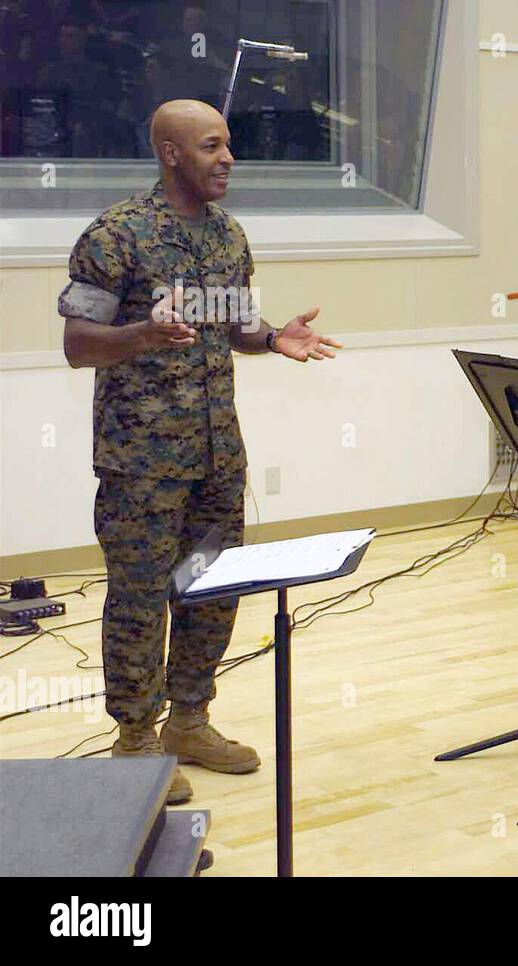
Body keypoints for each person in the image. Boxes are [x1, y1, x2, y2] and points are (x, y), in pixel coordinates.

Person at [59, 99, 342, 805]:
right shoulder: (117, 235)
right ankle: (134, 739)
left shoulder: (227, 236)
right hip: (142, 458)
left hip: (219, 454)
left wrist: (274, 338)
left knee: (210, 590)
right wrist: (141, 336)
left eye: (229, 146)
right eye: (212, 147)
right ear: (171, 153)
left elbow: (238, 326)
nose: (227, 159)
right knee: (139, 597)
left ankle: (189, 719)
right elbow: (76, 345)